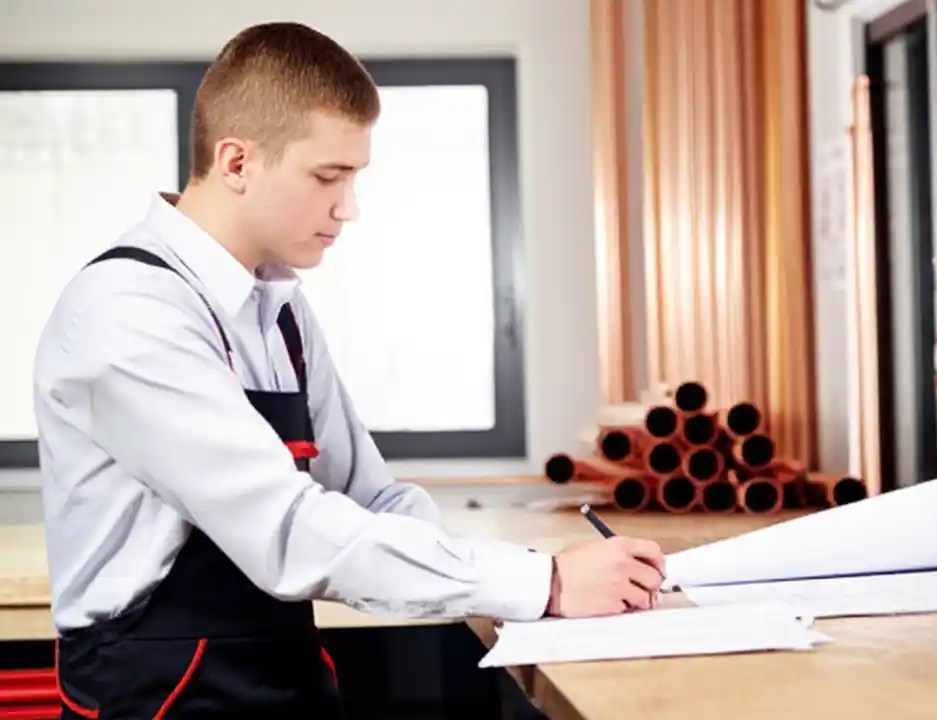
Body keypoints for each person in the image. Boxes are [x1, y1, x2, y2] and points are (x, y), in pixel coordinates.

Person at [33, 21, 664, 719]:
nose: (348, 208)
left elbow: (372, 502)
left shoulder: (279, 308)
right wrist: (541, 583)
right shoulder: (128, 313)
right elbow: (290, 533)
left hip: (280, 675)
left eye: (355, 177)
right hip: (160, 694)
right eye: (327, 176)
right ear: (237, 163)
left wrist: (534, 567)